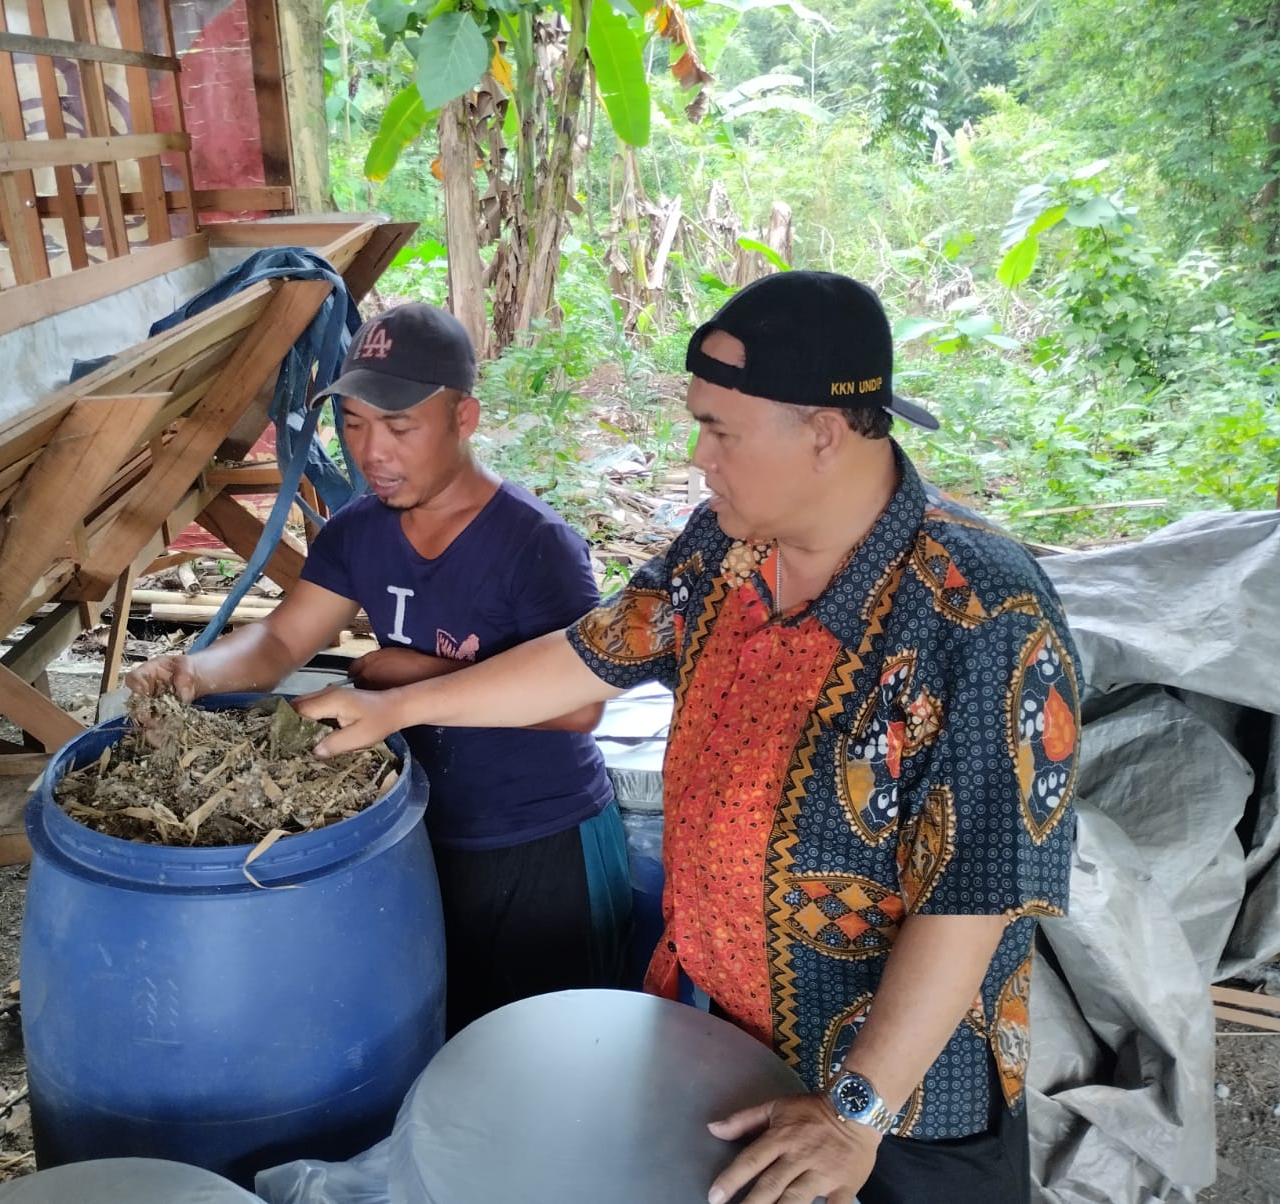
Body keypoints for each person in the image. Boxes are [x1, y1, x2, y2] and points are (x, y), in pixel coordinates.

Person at [295, 272, 1080, 1204]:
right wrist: (399, 709)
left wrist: (852, 1112)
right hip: (729, 1038)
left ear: (823, 432)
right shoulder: (725, 547)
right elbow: (589, 656)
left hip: (899, 1099)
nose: (699, 457)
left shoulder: (979, 611)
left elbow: (977, 894)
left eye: (720, 430)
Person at [125, 302, 632, 1035]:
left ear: (465, 418)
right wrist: (195, 672)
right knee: (441, 1040)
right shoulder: (358, 534)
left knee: (549, 1051)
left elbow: (581, 708)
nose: (372, 453)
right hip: (413, 834)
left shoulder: (536, 545)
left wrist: (406, 677)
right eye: (355, 424)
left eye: (399, 427)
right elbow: (276, 645)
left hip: (540, 843)